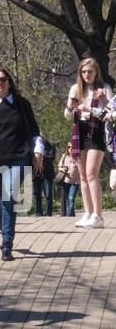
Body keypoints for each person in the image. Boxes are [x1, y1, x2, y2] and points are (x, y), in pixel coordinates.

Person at [0, 68, 44, 261]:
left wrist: (38, 151)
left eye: (2, 79)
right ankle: (4, 224)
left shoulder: (22, 104)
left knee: (9, 196)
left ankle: (6, 244)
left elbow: (35, 130)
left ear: (9, 82)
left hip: (18, 157)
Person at [64, 58, 114, 229]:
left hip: (96, 131)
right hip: (80, 131)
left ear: (96, 72)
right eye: (84, 72)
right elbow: (68, 115)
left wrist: (101, 102)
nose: (87, 75)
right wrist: (70, 107)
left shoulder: (104, 88)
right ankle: (88, 212)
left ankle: (98, 216)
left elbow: (111, 113)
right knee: (83, 175)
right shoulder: (75, 89)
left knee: (92, 174)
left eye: (90, 71)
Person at [32, 138, 56, 217]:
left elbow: (52, 157)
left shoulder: (50, 145)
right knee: (36, 194)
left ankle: (48, 213)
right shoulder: (33, 145)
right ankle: (38, 212)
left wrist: (40, 156)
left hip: (47, 173)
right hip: (36, 173)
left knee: (48, 194)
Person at [55, 143, 80, 217]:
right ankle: (72, 215)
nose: (71, 149)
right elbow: (59, 166)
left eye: (72, 147)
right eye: (69, 147)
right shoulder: (64, 156)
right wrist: (63, 169)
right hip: (66, 181)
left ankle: (69, 216)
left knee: (71, 198)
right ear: (67, 148)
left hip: (75, 182)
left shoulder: (79, 157)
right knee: (67, 200)